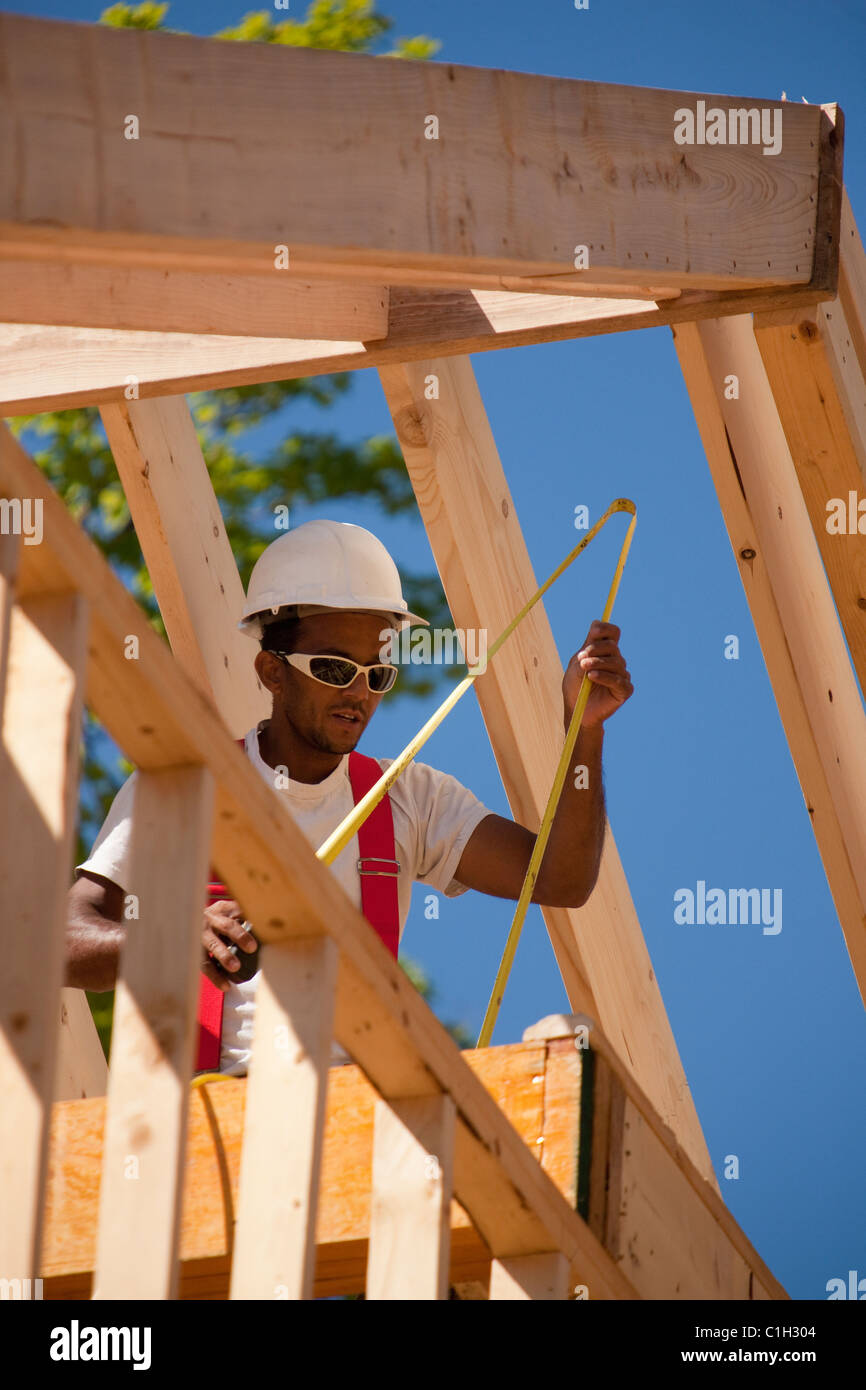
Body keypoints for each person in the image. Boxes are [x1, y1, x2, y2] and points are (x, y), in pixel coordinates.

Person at [65, 519, 633, 1073]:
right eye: (335, 667)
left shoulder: (407, 796)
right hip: (210, 1131)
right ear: (271, 671)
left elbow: (559, 878)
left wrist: (584, 731)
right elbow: (61, 939)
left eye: (378, 673)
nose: (359, 692)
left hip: (360, 1121)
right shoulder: (184, 790)